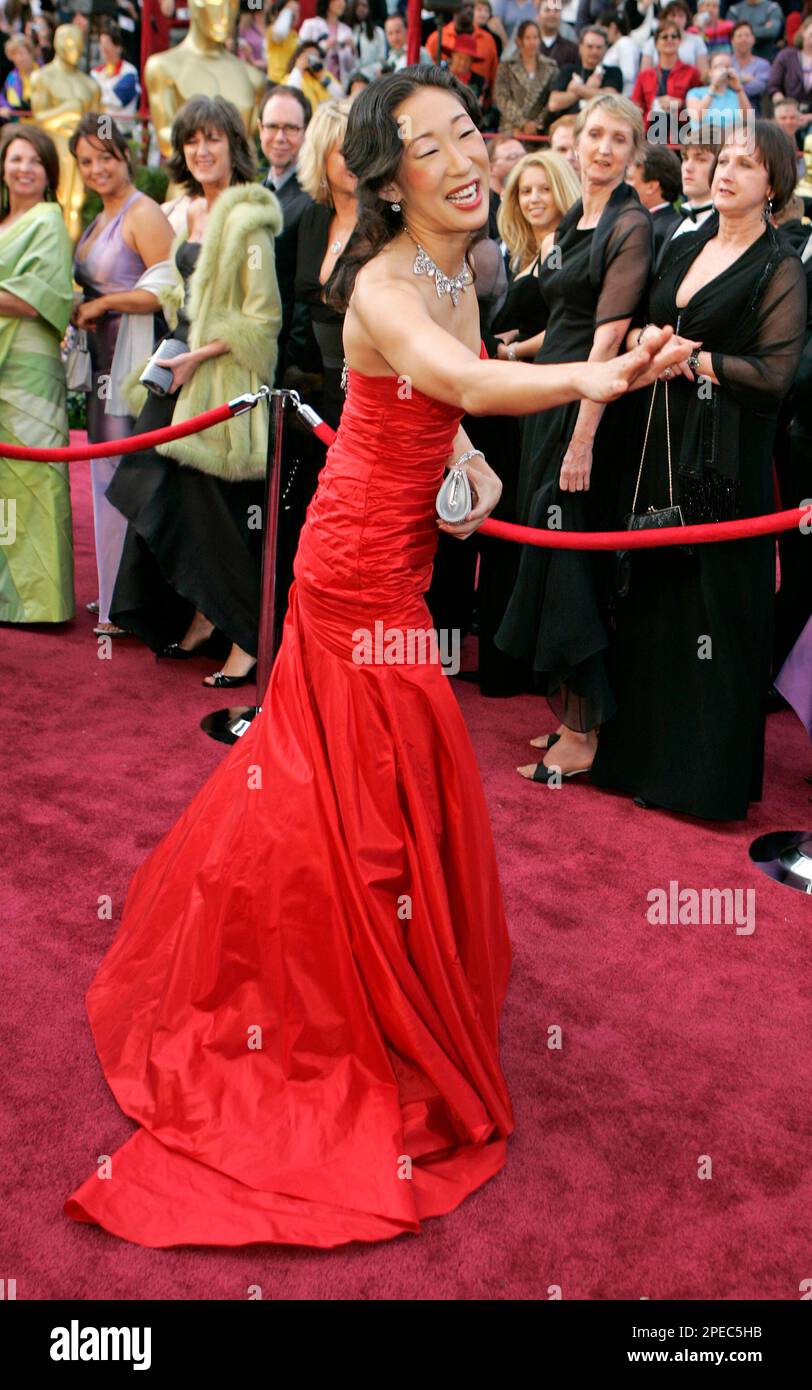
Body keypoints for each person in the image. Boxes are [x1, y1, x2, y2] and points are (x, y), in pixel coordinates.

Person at [63, 64, 682, 1251]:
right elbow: (451, 379)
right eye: (428, 147)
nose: (461, 159)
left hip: (398, 555)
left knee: (371, 788)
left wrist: (471, 469)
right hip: (349, 572)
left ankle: (372, 988)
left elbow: (442, 409)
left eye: (468, 134)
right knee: (349, 795)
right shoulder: (391, 281)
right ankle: (322, 1007)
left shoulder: (468, 266)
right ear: (387, 179)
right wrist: (588, 376)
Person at [591, 122, 807, 819]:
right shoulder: (686, 241)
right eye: (722, 159)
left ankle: (704, 780)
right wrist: (652, 343)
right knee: (654, 596)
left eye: (747, 164)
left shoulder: (780, 263)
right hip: (658, 442)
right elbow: (638, 325)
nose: (727, 172)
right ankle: (643, 761)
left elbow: (776, 376)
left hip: (727, 458)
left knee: (716, 605)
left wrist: (701, 360)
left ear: (772, 184)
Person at [495, 92, 657, 781]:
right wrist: (515, 356)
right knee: (547, 552)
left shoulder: (629, 225)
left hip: (584, 409)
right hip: (551, 398)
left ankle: (585, 736)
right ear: (576, 141)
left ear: (633, 152)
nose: (602, 148)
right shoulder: (574, 216)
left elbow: (607, 337)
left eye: (619, 139)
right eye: (594, 134)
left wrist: (583, 436)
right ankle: (570, 713)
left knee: (570, 565)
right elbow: (563, 316)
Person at [105, 96, 283, 688]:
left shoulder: (250, 220)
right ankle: (204, 613)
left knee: (214, 515)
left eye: (213, 139)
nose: (202, 152)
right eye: (191, 142)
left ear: (235, 144)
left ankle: (248, 637)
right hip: (177, 369)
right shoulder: (184, 212)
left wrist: (197, 358)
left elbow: (263, 322)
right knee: (149, 484)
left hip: (219, 380)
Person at [70, 115, 174, 639]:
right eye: (86, 161)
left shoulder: (143, 213)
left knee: (126, 477)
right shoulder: (99, 215)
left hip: (132, 363)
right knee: (103, 472)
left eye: (105, 157)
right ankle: (114, 591)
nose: (96, 169)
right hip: (99, 361)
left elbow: (170, 292)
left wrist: (105, 302)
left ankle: (130, 603)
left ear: (126, 156)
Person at [0, 124, 74, 625]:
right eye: (15, 158)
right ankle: (9, 596)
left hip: (29, 369)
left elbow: (37, 300)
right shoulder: (4, 221)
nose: (24, 168)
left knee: (35, 474)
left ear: (49, 173)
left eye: (34, 161)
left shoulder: (49, 220)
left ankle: (42, 602)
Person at [294, 98, 357, 426]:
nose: (356, 160)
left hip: (373, 389)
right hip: (325, 384)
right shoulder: (315, 217)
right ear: (321, 156)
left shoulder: (384, 222)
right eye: (345, 151)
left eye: (363, 149)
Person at [259, 84, 313, 379]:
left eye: (291, 128)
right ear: (259, 129)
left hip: (286, 362)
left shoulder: (313, 198)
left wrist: (293, 362)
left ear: (306, 132)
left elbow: (305, 293)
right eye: (272, 127)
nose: (280, 138)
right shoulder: (254, 190)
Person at [631, 17, 701, 129]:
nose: (670, 40)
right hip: (651, 137)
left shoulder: (692, 72)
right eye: (664, 37)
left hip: (682, 135)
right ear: (656, 43)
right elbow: (636, 106)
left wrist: (681, 103)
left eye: (674, 36)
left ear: (679, 41)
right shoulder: (644, 76)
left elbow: (701, 105)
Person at [547, 26, 624, 124]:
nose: (594, 51)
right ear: (580, 47)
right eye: (590, 46)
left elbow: (611, 98)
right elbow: (554, 103)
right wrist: (590, 89)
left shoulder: (613, 72)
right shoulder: (568, 70)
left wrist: (577, 88)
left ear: (606, 49)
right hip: (567, 126)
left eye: (599, 47)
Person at [493, 18, 557, 135]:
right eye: (528, 38)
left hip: (538, 131)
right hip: (511, 129)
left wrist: (535, 125)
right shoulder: (506, 66)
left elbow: (552, 99)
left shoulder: (550, 67)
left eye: (536, 38)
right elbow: (501, 97)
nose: (532, 42)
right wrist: (522, 123)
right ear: (519, 40)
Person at [426, 2, 500, 92]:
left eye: (472, 7)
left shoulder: (488, 40)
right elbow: (426, 72)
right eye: (464, 7)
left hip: (478, 98)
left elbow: (494, 76)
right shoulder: (437, 38)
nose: (469, 10)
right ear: (454, 10)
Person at [626, 144, 682, 250]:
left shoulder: (652, 232)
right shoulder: (673, 221)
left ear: (651, 187)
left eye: (630, 179)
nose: (625, 184)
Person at [685, 50, 752, 136]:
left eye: (728, 66)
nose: (724, 70)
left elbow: (749, 120)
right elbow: (697, 116)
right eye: (718, 67)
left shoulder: (736, 95)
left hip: (729, 144)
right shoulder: (695, 93)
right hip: (703, 143)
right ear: (710, 72)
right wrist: (713, 86)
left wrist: (739, 89)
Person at [640, 1, 709, 79]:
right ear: (665, 18)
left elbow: (703, 74)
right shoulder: (651, 42)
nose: (677, 20)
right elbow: (644, 74)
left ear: (686, 19)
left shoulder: (697, 41)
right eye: (673, 16)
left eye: (681, 16)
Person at [668, 133, 719, 238]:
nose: (688, 168)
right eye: (685, 158)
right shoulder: (673, 226)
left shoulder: (726, 227)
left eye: (701, 160)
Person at [300, 0, 357, 86]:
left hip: (339, 86)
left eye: (344, 0)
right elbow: (301, 54)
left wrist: (353, 49)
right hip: (314, 84)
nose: (342, 3)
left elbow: (350, 67)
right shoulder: (311, 25)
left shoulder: (346, 30)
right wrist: (326, 46)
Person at [91, 19, 140, 118]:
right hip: (100, 128)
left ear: (118, 47)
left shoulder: (129, 72)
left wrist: (96, 98)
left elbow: (117, 101)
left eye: (107, 43)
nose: (103, 47)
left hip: (122, 129)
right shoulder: (95, 73)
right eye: (101, 43)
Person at [767, 17, 812, 113]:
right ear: (803, 31)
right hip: (786, 114)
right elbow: (773, 87)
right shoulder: (786, 56)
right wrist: (785, 108)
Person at [286, 40, 344, 105]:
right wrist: (299, 68)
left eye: (316, 55)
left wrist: (322, 78)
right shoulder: (292, 76)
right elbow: (291, 95)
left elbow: (340, 95)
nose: (314, 58)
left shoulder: (325, 75)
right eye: (310, 55)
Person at [728, 19, 771, 106]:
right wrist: (744, 79)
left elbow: (759, 87)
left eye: (747, 35)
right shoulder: (726, 61)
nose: (744, 39)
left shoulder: (763, 64)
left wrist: (731, 83)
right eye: (739, 36)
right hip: (726, 110)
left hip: (753, 112)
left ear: (753, 39)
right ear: (732, 41)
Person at [726, 0, 784, 64]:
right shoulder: (734, 10)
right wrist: (762, 27)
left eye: (747, 35)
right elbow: (730, 32)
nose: (745, 38)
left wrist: (741, 32)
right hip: (738, 62)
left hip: (767, 59)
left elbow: (772, 31)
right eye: (741, 35)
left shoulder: (772, 8)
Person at [601, 10, 640, 97]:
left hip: (623, 96)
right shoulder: (616, 45)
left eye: (603, 29)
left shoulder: (625, 43)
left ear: (612, 27)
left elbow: (629, 74)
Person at [346, 0, 386, 78]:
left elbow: (382, 59)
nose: (361, 9)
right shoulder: (346, 32)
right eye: (358, 5)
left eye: (364, 5)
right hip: (350, 78)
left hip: (372, 77)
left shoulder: (378, 32)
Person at [0, 33, 38, 115]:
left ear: (30, 52)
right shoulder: (12, 76)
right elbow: (3, 99)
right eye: (14, 55)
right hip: (19, 121)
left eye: (21, 53)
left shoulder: (44, 72)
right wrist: (4, 108)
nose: (18, 58)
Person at [265, 0, 301, 84]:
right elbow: (280, 32)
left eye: (298, 11)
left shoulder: (294, 35)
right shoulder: (273, 30)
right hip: (275, 81)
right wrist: (287, 10)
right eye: (294, 11)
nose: (297, 15)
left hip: (289, 81)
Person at [536, 0, 579, 70]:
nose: (552, 14)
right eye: (547, 10)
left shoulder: (572, 50)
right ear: (538, 15)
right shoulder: (526, 46)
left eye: (556, 10)